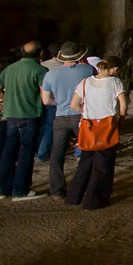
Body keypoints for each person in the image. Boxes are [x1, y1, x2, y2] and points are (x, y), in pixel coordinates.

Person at [67, 56, 127, 210]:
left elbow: (74, 105)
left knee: (85, 163)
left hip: (88, 126)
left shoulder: (85, 82)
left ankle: (74, 197)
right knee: (102, 165)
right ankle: (93, 201)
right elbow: (123, 105)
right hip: (106, 127)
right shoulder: (115, 82)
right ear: (114, 69)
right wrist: (121, 118)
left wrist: (87, 112)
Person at [0, 41, 48, 200]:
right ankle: (20, 190)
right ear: (41, 54)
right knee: (26, 152)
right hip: (30, 115)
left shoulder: (10, 68)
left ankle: (3, 189)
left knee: (9, 150)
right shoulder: (40, 70)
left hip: (11, 114)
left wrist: (8, 99)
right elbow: (45, 96)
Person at [41, 42, 93, 198]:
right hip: (81, 115)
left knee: (57, 154)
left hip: (60, 116)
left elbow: (46, 101)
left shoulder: (50, 74)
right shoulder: (88, 70)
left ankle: (56, 190)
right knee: (87, 152)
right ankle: (83, 186)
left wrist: (61, 102)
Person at [35, 41, 62, 161]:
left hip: (40, 99)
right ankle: (42, 152)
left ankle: (37, 150)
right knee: (50, 126)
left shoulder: (42, 65)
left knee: (41, 126)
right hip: (54, 100)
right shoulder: (63, 66)